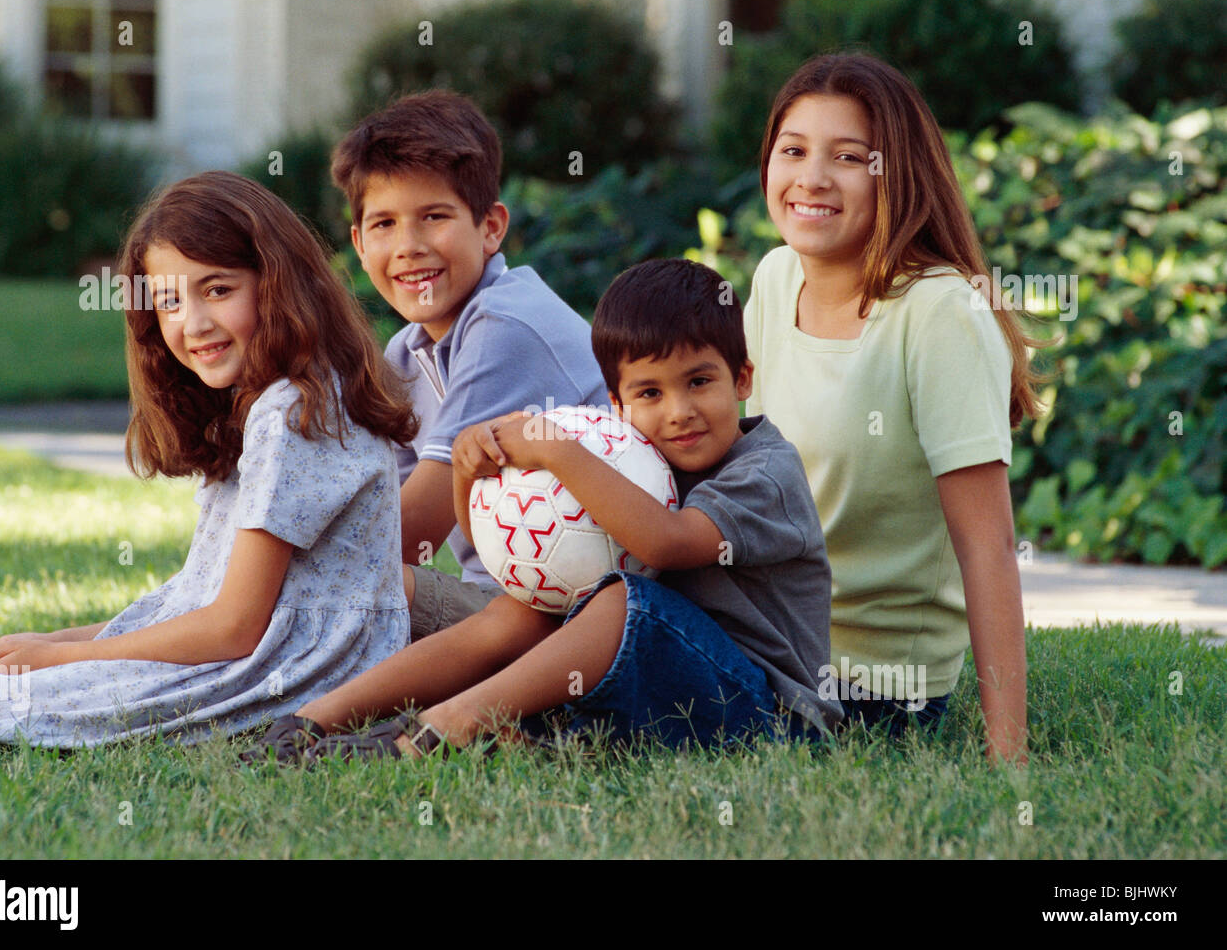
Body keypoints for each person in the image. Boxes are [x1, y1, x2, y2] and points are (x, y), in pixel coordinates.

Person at [242, 258, 840, 764]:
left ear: (742, 378)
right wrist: (473, 479)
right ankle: (308, 723)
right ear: (618, 403)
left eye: (699, 382)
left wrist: (555, 449)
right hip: (653, 694)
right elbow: (510, 566)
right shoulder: (633, 462)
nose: (679, 411)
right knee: (521, 610)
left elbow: (666, 544)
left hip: (765, 712)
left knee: (622, 599)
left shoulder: (764, 473)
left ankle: (437, 730)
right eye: (650, 393)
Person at [0, 171, 417, 749]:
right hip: (275, 658)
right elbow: (198, 599)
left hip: (282, 677)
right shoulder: (283, 399)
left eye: (217, 290)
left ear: (279, 284)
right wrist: (66, 642)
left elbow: (233, 629)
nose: (194, 323)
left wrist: (61, 657)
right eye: (169, 301)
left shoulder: (293, 415)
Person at [743, 53, 1045, 764]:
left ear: (895, 174)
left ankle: (467, 717)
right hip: (764, 630)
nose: (811, 178)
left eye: (847, 157)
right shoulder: (775, 274)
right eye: (793, 150)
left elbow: (989, 547)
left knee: (623, 638)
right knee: (597, 612)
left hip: (869, 685)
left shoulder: (938, 312)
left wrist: (1009, 755)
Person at [330, 90, 606, 642]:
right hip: (507, 602)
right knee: (339, 598)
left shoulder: (508, 323)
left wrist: (278, 570)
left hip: (578, 615)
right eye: (384, 224)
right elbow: (398, 527)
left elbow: (406, 536)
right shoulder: (405, 356)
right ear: (359, 244)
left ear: (491, 227)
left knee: (339, 596)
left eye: (434, 216)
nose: (408, 246)